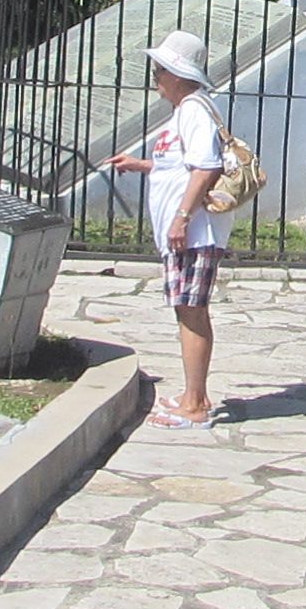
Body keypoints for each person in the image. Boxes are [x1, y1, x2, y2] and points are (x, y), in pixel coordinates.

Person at [107, 29, 227, 428]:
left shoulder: (193, 110)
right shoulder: (186, 112)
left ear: (178, 73)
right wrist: (141, 165)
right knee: (185, 309)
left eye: (161, 68)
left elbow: (206, 167)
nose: (156, 75)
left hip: (194, 233)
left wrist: (182, 216)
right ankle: (194, 393)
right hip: (186, 232)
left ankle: (195, 403)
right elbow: (181, 164)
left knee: (191, 311)